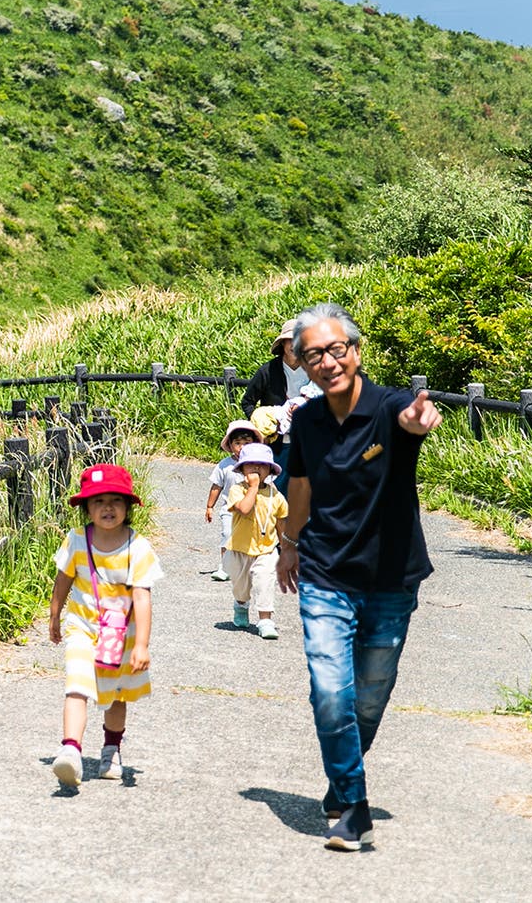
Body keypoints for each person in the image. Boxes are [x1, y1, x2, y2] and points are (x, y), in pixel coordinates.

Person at [276, 302, 440, 852]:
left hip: (392, 578)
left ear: (356, 350)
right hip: (325, 571)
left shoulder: (389, 406)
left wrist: (419, 421)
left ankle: (340, 782)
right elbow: (300, 485)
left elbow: (413, 419)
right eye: (313, 355)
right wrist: (288, 545)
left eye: (336, 349)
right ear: (302, 363)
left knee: (368, 699)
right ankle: (354, 805)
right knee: (329, 691)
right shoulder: (307, 421)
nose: (327, 362)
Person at [48, 463, 162, 788]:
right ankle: (71, 750)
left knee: (116, 696)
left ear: (128, 507)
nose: (107, 508)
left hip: (123, 635)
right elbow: (62, 581)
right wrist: (55, 615)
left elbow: (142, 597)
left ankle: (111, 749)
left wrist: (142, 645)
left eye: (115, 501)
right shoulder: (76, 541)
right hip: (82, 627)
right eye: (98, 501)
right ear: (86, 508)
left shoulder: (138, 547)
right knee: (77, 685)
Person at [222, 443, 288, 639]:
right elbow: (244, 509)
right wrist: (252, 487)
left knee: (265, 579)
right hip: (239, 549)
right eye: (251, 464)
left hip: (266, 549)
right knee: (240, 588)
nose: (257, 468)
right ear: (242, 469)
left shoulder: (276, 496)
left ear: (270, 471)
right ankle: (241, 605)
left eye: (262, 465)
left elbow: (281, 522)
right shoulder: (238, 490)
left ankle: (265, 620)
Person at [204, 419, 261, 580]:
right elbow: (217, 486)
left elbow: (268, 485)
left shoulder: (259, 465)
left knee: (252, 538)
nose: (242, 447)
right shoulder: (225, 465)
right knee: (227, 535)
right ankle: (225, 567)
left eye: (247, 443)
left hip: (253, 511)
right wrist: (209, 506)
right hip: (230, 510)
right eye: (237, 443)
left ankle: (251, 566)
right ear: (230, 445)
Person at [241, 318, 304, 415]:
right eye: (290, 340)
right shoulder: (267, 371)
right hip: (274, 423)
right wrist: (260, 419)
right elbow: (247, 402)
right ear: (282, 342)